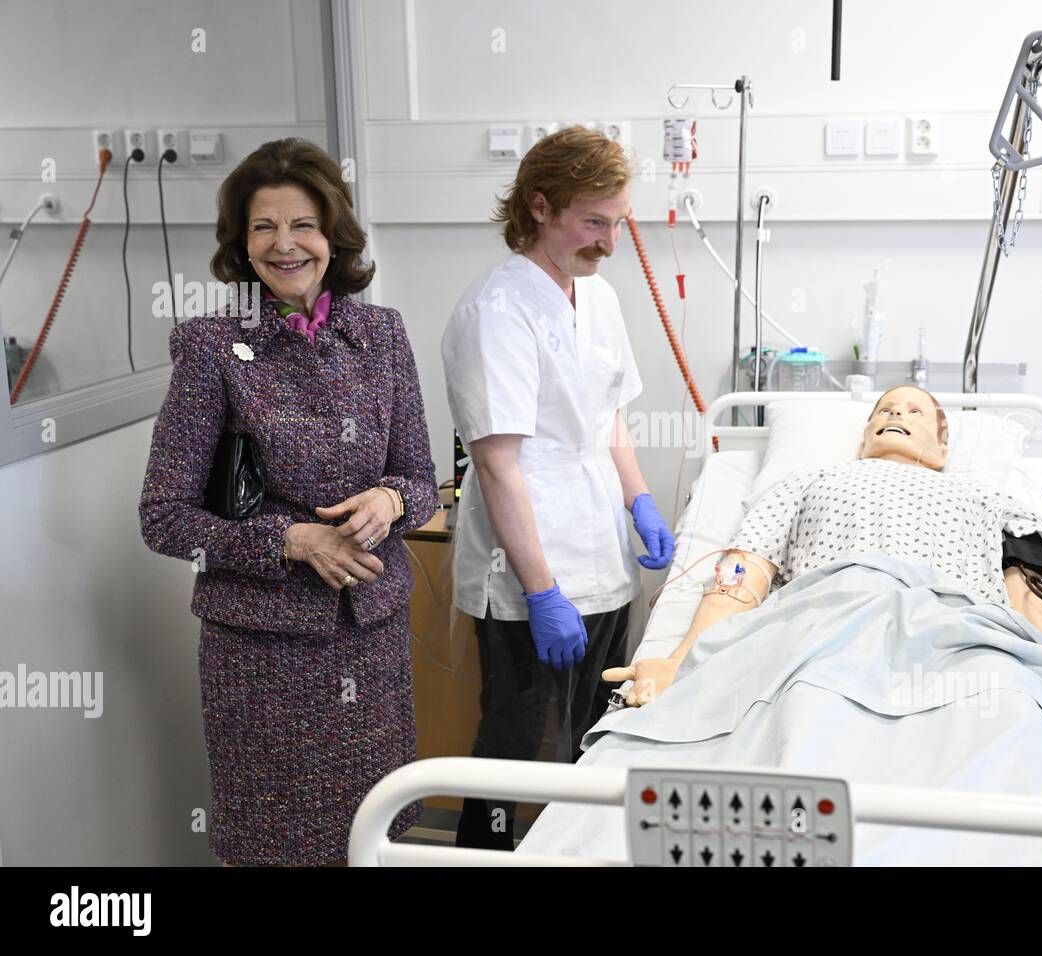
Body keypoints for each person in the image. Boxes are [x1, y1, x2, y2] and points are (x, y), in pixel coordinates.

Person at [139, 138, 438, 866]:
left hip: (369, 639)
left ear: (333, 235)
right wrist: (290, 542)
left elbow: (425, 480)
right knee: (279, 845)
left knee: (372, 838)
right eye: (263, 227)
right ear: (242, 245)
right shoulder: (213, 349)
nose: (284, 244)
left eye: (302, 224)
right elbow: (164, 516)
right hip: (263, 655)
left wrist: (389, 502)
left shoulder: (382, 335)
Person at [441, 126, 675, 848]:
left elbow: (609, 417)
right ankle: (481, 859)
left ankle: (579, 857)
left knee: (593, 740)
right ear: (540, 207)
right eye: (593, 223)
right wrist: (541, 592)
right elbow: (499, 463)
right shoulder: (496, 312)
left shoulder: (595, 296)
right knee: (513, 745)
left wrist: (638, 500)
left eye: (618, 222)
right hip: (527, 572)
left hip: (601, 550)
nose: (610, 242)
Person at [606, 385, 1042, 706]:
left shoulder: (993, 497)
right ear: (866, 435)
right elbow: (741, 575)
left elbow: (1031, 596)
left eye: (915, 412)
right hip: (821, 633)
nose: (897, 415)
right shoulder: (806, 482)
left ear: (943, 446)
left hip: (955, 639)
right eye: (886, 411)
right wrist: (680, 662)